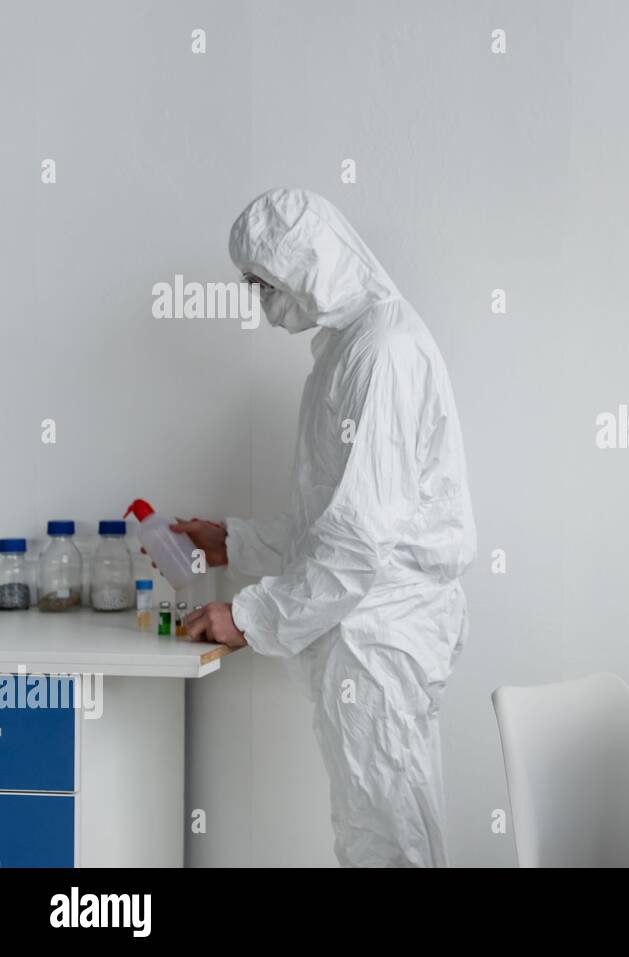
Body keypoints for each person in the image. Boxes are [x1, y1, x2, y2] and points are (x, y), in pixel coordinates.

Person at [175, 188, 475, 867]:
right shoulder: (349, 348)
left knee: (387, 836)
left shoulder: (383, 353)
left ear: (305, 263)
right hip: (369, 630)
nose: (260, 299)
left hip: (380, 631)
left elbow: (360, 544)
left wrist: (250, 615)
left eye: (263, 281)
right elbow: (334, 519)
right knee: (375, 825)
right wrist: (237, 540)